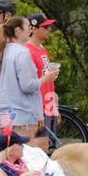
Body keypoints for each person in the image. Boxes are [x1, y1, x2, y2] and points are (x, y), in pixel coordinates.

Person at [0, 15, 57, 150]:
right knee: (22, 158)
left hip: (1, 114)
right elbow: (28, 86)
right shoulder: (22, 53)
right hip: (21, 116)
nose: (30, 31)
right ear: (18, 31)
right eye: (28, 28)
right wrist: (45, 79)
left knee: (3, 157)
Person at [25, 14, 60, 143]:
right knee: (38, 145)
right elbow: (29, 82)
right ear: (33, 29)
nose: (49, 30)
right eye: (45, 27)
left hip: (48, 102)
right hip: (37, 106)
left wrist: (53, 106)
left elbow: (47, 81)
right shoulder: (27, 51)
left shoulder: (43, 49)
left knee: (48, 144)